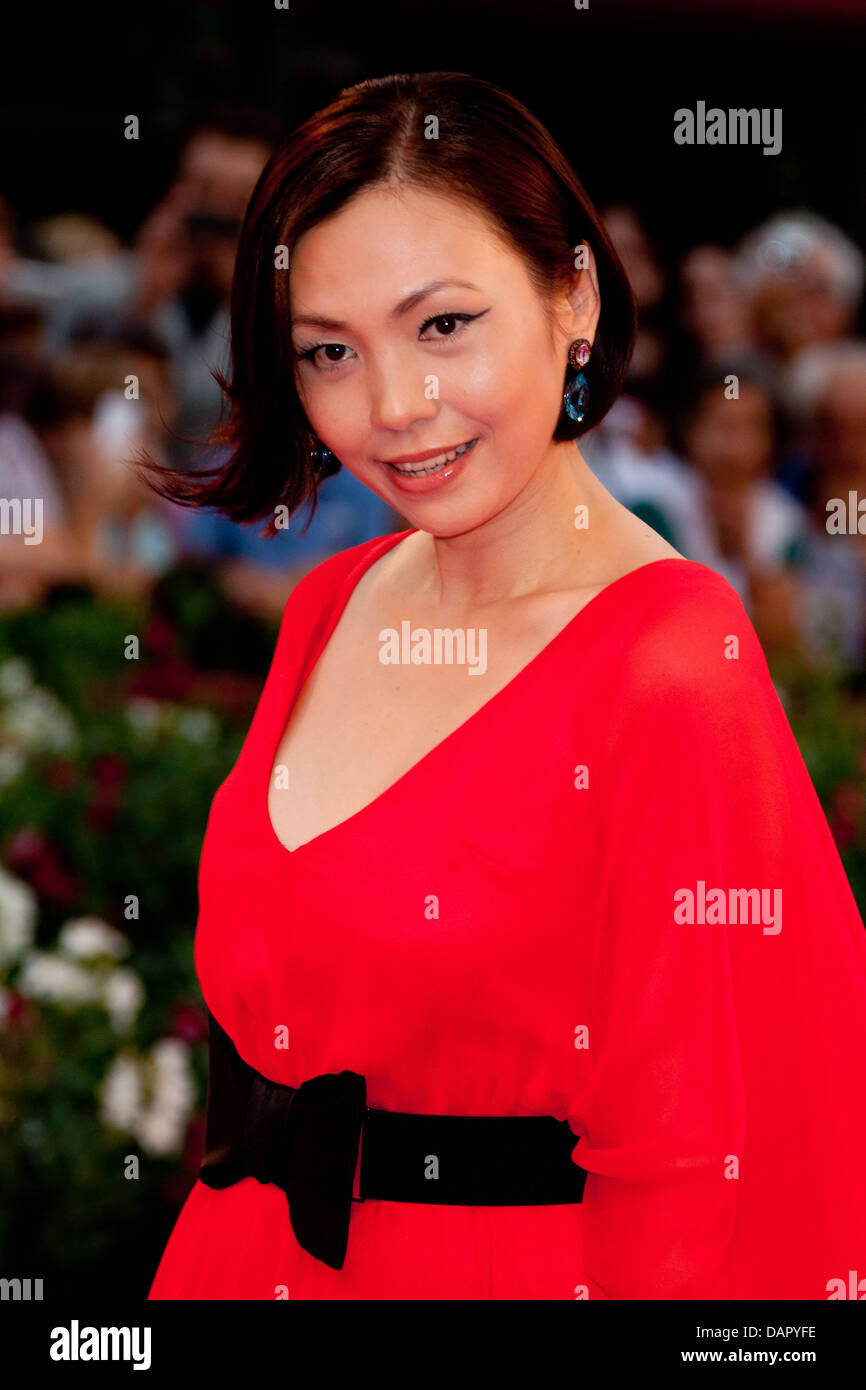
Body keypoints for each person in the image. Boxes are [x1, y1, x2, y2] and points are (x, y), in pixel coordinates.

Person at [142, 72, 866, 1301]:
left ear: (572, 293)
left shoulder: (666, 660)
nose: (391, 407)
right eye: (329, 350)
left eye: (441, 325)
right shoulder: (330, 603)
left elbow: (698, 1172)